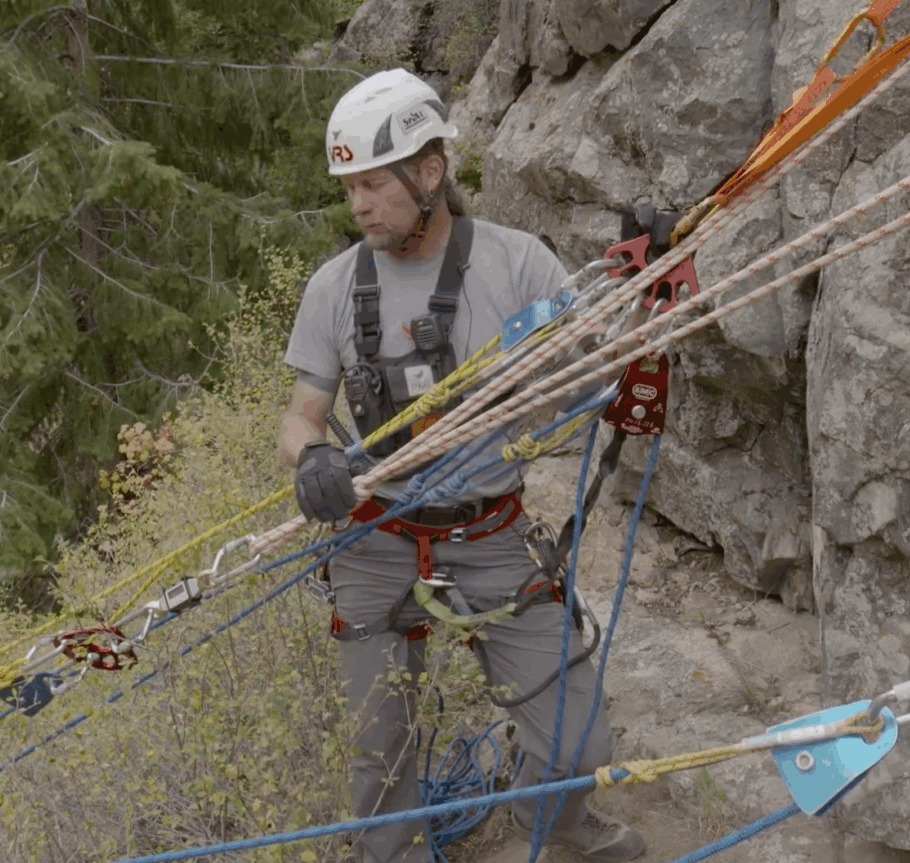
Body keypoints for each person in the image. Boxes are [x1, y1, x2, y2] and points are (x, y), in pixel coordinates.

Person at [278, 69, 647, 863]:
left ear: (430, 172)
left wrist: (639, 293)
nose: (358, 206)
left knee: (577, 742)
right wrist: (312, 457)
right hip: (374, 534)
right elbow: (302, 413)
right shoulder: (334, 288)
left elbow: (591, 378)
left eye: (373, 185)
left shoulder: (519, 266)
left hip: (489, 531)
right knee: (380, 749)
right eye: (349, 188)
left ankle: (557, 822)